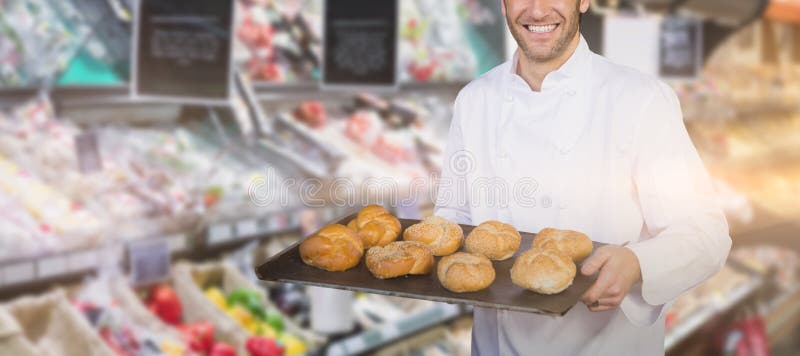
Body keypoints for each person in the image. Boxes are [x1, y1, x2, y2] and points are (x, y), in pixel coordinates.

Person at [434, 0, 732, 354]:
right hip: (497, 346)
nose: (537, 10)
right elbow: (454, 220)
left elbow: (706, 233)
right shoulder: (474, 100)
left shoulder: (640, 99)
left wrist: (638, 264)